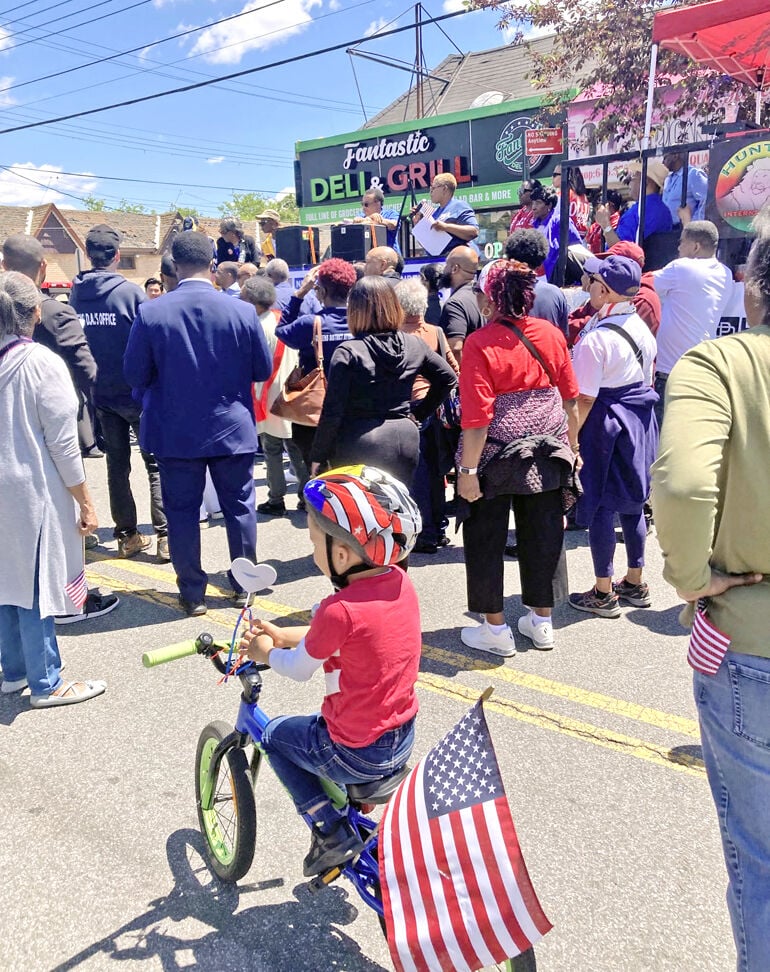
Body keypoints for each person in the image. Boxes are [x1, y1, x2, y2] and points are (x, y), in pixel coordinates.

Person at [651, 202, 770, 972]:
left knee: (761, 861)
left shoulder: (720, 364)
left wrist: (694, 579)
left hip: (752, 634)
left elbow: (686, 485)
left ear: (753, 289)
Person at [238, 465, 421, 876]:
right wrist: (285, 634)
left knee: (272, 736)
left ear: (340, 554)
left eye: (313, 543)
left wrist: (267, 652)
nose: (312, 552)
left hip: (355, 749)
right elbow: (351, 636)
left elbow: (300, 668)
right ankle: (357, 806)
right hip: (400, 737)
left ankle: (330, 829)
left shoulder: (339, 610)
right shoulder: (399, 584)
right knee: (324, 726)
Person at [123, 231, 272, 617]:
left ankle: (192, 593)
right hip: (231, 426)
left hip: (176, 430)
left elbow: (135, 373)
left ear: (174, 265)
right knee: (240, 508)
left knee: (182, 512)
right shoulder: (241, 310)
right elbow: (262, 368)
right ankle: (244, 586)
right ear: (212, 265)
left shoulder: (152, 311)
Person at [456, 259, 579, 655]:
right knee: (544, 533)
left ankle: (495, 630)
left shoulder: (479, 343)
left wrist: (467, 471)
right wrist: (573, 449)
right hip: (547, 449)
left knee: (486, 538)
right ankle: (541, 621)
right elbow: (571, 399)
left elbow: (476, 420)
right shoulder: (550, 333)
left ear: (490, 299)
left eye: (479, 292)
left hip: (494, 455)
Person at [0, 271, 107, 707]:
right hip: (32, 489)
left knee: (7, 578)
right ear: (36, 313)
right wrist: (85, 501)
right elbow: (63, 445)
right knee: (37, 581)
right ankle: (47, 681)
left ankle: (14, 671)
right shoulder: (42, 363)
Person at [70, 224, 169, 561]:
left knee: (116, 465)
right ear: (116, 256)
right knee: (155, 464)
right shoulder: (130, 294)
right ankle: (165, 536)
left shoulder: (75, 294)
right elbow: (152, 343)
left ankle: (127, 535)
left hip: (100, 395)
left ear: (87, 254)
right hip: (137, 393)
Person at [568, 255, 658, 618]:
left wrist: (571, 439)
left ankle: (603, 590)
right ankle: (635, 580)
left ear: (604, 289)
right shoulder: (640, 326)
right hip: (639, 420)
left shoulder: (597, 338)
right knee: (633, 502)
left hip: (606, 424)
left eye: (591, 280)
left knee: (602, 503)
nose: (586, 285)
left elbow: (585, 398)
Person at [310, 276, 456, 485]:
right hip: (405, 436)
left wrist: (318, 455)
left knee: (362, 513)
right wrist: (419, 414)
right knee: (398, 508)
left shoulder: (348, 352)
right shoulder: (414, 344)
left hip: (360, 440)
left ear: (356, 311)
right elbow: (448, 378)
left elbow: (333, 410)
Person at [2, 234, 99, 460]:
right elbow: (87, 370)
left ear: (4, 266)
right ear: (43, 266)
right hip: (54, 420)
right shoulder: (57, 313)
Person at [275, 259, 357, 489]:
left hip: (316, 412)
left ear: (321, 290)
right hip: (353, 409)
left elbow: (282, 331)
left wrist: (299, 294)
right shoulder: (360, 321)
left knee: (320, 475)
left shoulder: (311, 323)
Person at [395, 278, 459, 552]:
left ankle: (426, 533)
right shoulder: (435, 331)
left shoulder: (395, 336)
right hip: (437, 408)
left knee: (417, 476)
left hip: (409, 411)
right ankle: (439, 527)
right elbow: (452, 369)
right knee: (435, 472)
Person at [652, 220, 733, 427]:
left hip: (671, 373)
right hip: (701, 369)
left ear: (695, 246)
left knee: (662, 439)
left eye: (681, 243)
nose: (678, 248)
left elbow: (645, 284)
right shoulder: (725, 273)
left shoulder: (681, 268)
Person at [240, 275, 308, 516]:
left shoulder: (257, 326)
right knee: (297, 450)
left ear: (253, 301)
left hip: (269, 395)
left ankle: (276, 498)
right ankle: (306, 496)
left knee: (272, 451)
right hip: (291, 394)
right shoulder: (283, 320)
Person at [568, 240, 661, 346]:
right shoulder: (608, 290)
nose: (604, 266)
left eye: (612, 263)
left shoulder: (638, 298)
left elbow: (600, 331)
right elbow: (576, 317)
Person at [504, 229, 569, 337]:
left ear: (510, 259)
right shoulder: (555, 293)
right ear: (539, 264)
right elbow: (564, 337)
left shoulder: (499, 292)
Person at [598, 160, 673, 248]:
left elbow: (620, 248)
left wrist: (605, 224)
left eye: (633, 178)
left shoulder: (638, 211)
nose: (630, 183)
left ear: (645, 182)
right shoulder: (664, 211)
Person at [410, 173, 479, 255]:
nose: (430, 192)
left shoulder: (459, 206)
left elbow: (474, 232)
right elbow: (428, 244)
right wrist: (417, 224)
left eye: (433, 188)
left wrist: (445, 227)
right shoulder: (434, 213)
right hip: (438, 260)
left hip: (457, 259)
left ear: (444, 189)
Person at [437, 245, 482, 365]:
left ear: (455, 268)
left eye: (446, 265)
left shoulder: (455, 304)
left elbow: (455, 348)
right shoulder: (482, 296)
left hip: (467, 376)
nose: (443, 269)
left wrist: (457, 379)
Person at [530, 184, 582, 283]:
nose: (534, 207)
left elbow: (577, 247)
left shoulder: (560, 220)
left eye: (538, 203)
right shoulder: (535, 224)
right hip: (544, 278)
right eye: (533, 203)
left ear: (549, 205)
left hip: (564, 280)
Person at [662, 150, 708, 227]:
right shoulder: (668, 179)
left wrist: (694, 225)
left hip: (684, 227)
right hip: (667, 229)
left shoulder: (693, 174)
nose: (663, 162)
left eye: (665, 158)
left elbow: (705, 200)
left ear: (675, 156)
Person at [355, 187, 401, 253]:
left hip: (390, 256)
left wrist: (378, 220)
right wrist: (371, 218)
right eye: (362, 204)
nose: (363, 208)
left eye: (366, 204)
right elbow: (355, 222)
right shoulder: (362, 215)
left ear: (377, 203)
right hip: (371, 258)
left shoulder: (390, 213)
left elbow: (394, 225)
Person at [553, 164, 590, 236]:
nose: (552, 177)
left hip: (566, 238)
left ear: (565, 175)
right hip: (581, 240)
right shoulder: (584, 197)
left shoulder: (563, 195)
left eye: (555, 175)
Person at [585, 189, 623, 255]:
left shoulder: (618, 222)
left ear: (608, 205)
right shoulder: (595, 226)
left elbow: (616, 246)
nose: (596, 211)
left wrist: (605, 224)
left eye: (598, 207)